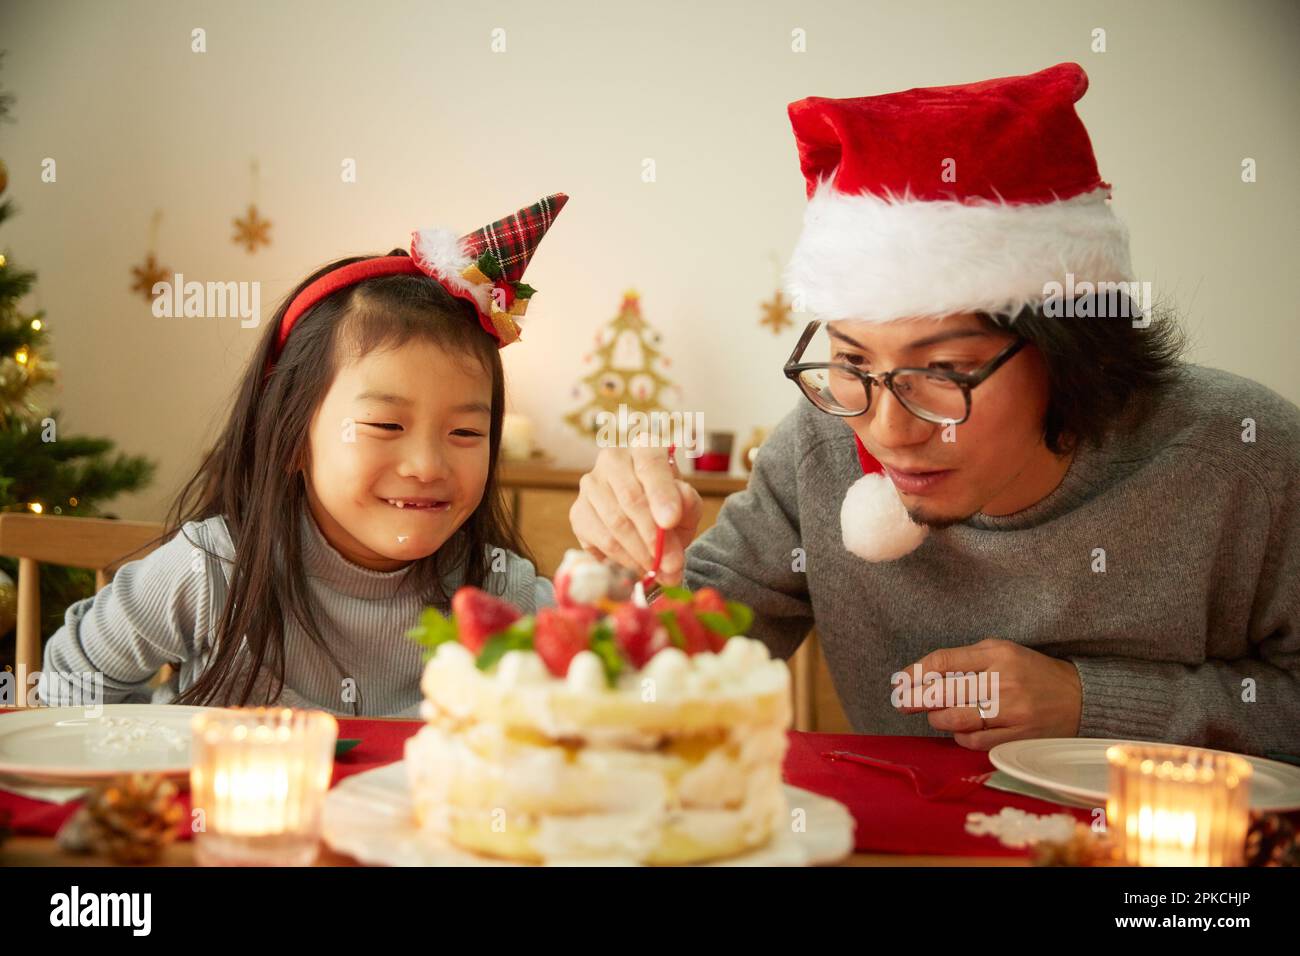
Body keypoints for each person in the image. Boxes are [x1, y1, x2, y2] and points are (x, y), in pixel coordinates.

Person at [570, 64, 1300, 757]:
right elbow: (670, 670)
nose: (890, 431)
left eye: (946, 371)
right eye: (854, 363)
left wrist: (1090, 702)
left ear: (1074, 350)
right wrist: (627, 565)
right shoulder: (819, 452)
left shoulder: (1243, 456)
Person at [39, 195, 568, 716]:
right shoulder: (213, 569)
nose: (427, 466)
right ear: (293, 436)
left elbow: (596, 698)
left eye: (466, 432)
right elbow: (70, 683)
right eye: (385, 425)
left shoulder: (501, 591)